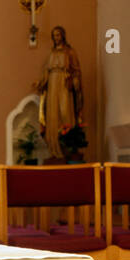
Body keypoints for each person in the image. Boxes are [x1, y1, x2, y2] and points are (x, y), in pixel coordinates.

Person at [36, 26, 83, 162]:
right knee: (53, 115)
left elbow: (76, 70)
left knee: (65, 112)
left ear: (63, 36)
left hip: (64, 84)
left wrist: (74, 81)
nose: (56, 38)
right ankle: (54, 148)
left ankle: (67, 146)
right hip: (52, 84)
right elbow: (46, 71)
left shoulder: (70, 52)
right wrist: (41, 83)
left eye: (58, 35)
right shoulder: (51, 53)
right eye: (54, 35)